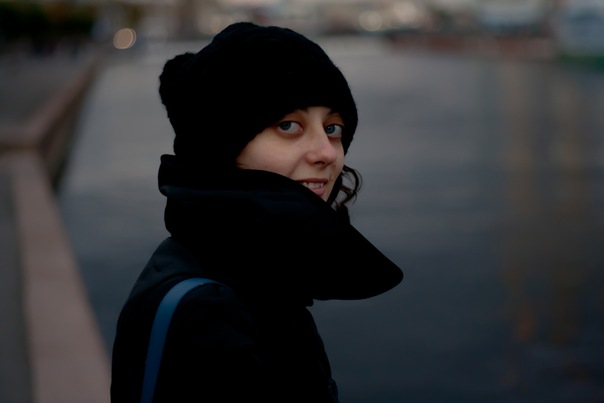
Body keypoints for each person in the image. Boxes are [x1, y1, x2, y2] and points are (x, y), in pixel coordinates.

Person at [110, 21, 403, 403]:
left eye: (333, 128)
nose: (327, 152)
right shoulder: (209, 312)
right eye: (288, 125)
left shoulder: (252, 274)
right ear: (221, 145)